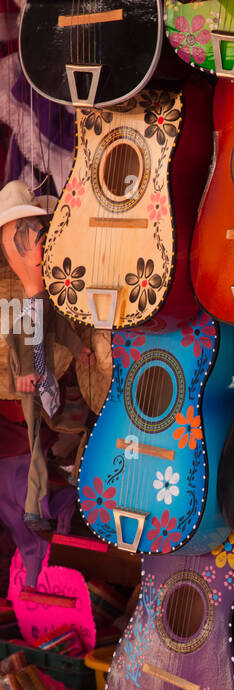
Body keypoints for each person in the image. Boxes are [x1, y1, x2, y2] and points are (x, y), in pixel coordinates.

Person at [0, 180, 92, 531]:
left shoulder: (41, 301)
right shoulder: (20, 306)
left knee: (70, 424)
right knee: (35, 439)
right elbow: (17, 340)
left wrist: (78, 347)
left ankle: (71, 471)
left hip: (46, 377)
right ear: (16, 244)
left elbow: (57, 328)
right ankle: (33, 509)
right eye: (35, 236)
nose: (42, 243)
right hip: (28, 381)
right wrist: (24, 374)